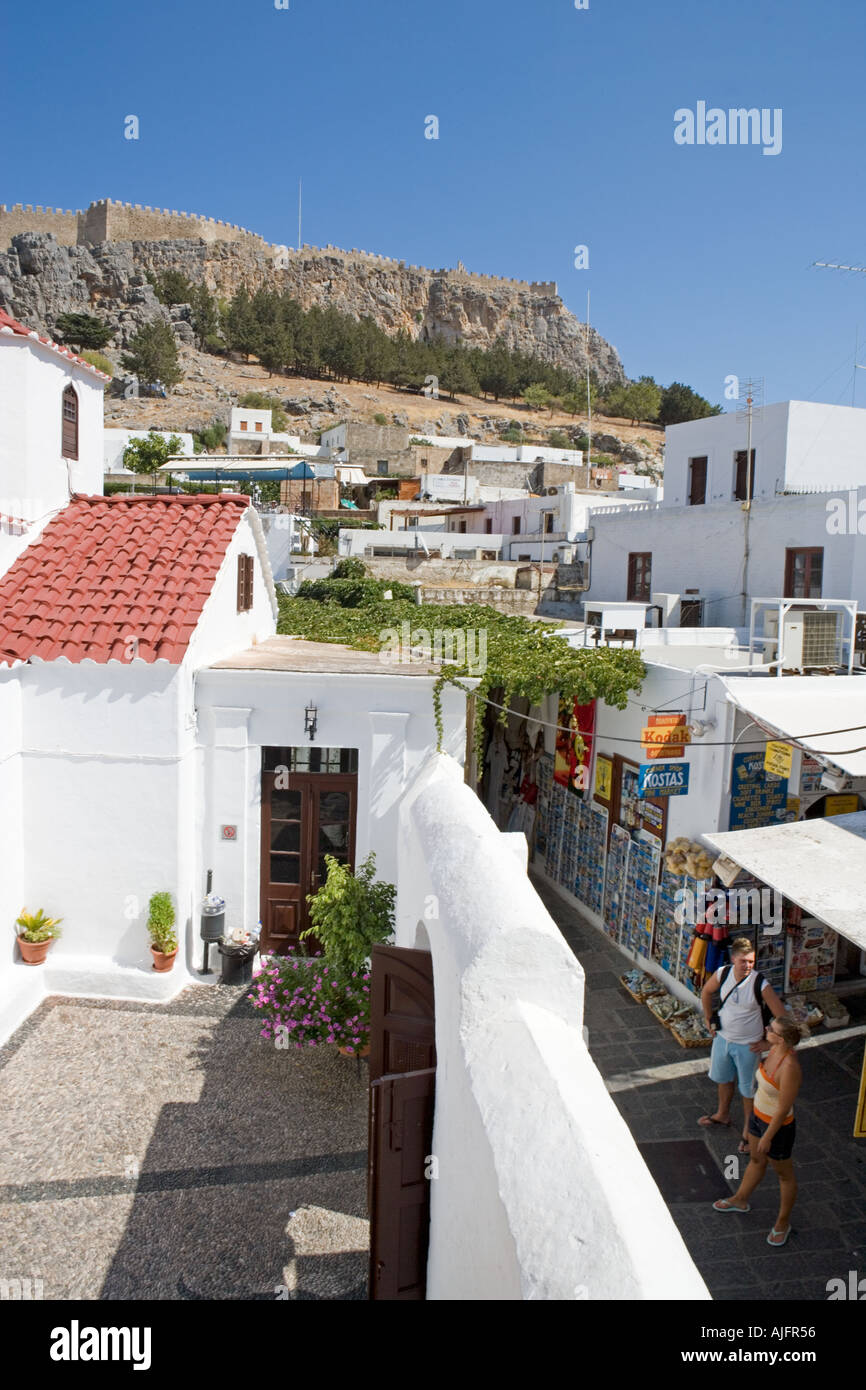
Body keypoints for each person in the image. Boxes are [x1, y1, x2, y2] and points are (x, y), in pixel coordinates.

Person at [711, 1014, 803, 1246]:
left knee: (784, 1175)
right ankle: (740, 1199)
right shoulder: (772, 1049)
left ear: (781, 1039)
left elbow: (783, 1109)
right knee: (755, 1160)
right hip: (757, 1118)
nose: (766, 1029)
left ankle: (782, 1223)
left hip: (777, 1128)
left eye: (771, 1028)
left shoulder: (790, 1067)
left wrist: (768, 1136)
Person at [697, 937, 787, 1153]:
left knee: (748, 1091)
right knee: (723, 1079)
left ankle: (749, 1132)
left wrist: (767, 1043)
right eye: (743, 961)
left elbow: (782, 1017)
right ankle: (722, 1114)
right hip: (723, 1039)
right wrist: (709, 1018)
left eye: (751, 962)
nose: (747, 966)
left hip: (748, 1046)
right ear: (733, 959)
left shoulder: (760, 984)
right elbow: (706, 992)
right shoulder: (723, 974)